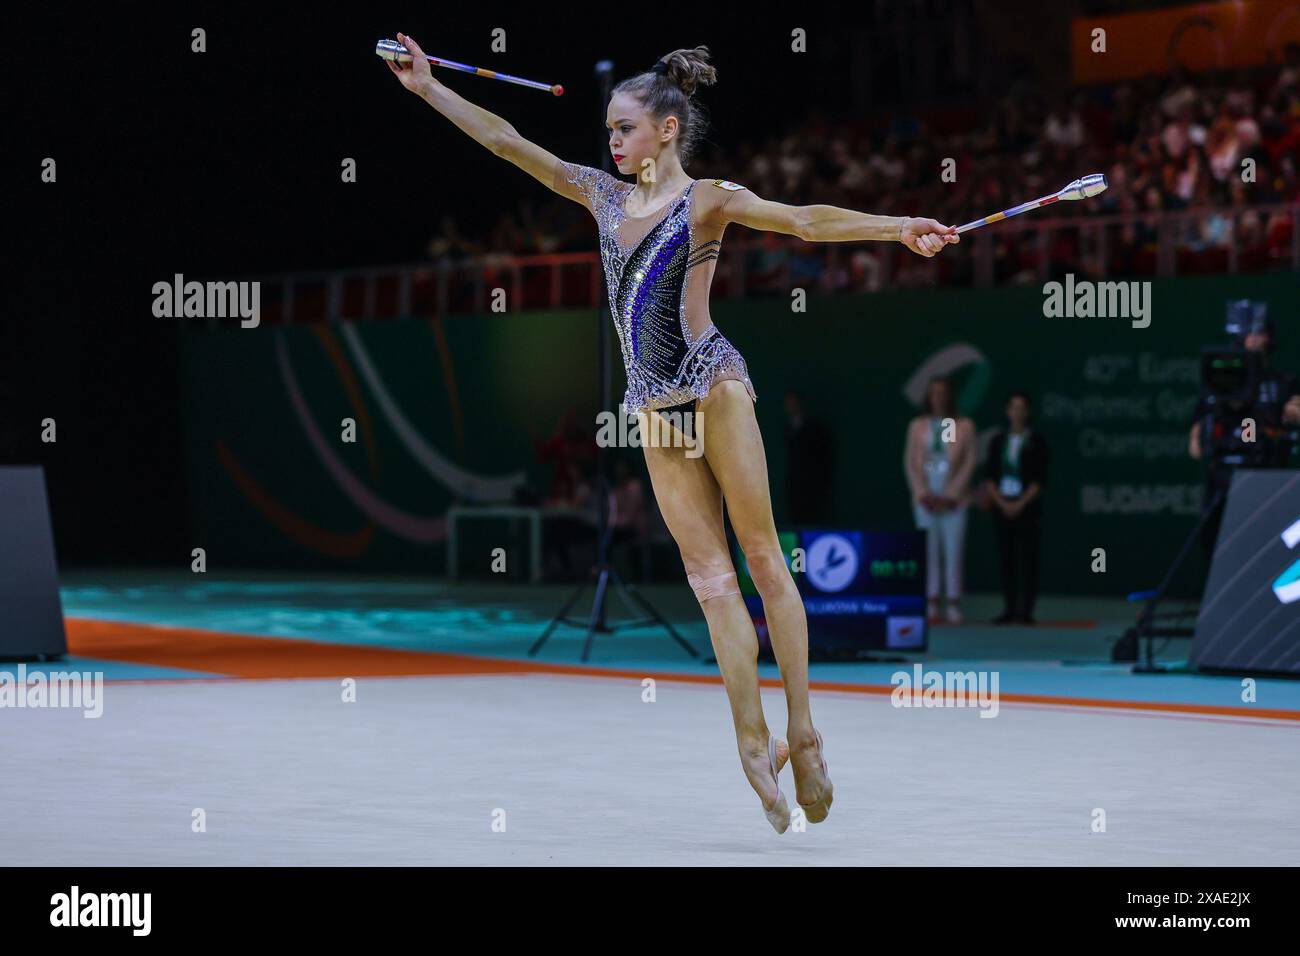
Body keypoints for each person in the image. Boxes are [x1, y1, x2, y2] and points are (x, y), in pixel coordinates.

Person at [387, 37, 959, 831]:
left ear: (665, 130)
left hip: (712, 383)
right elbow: (507, 141)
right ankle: (752, 741)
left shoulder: (708, 199)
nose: (611, 143)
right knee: (711, 581)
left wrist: (898, 227)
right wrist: (427, 89)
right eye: (609, 131)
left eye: (624, 129)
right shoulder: (600, 197)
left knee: (761, 556)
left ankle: (804, 728)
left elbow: (802, 220)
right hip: (653, 406)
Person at [903, 377, 976, 624]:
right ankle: (931, 601)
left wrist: (951, 495)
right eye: (934, 393)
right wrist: (923, 493)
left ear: (950, 396)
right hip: (925, 499)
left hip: (954, 500)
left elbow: (969, 461)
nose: (939, 397)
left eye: (943, 392)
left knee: (953, 549)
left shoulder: (963, 425)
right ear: (928, 397)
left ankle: (953, 602)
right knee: (929, 550)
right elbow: (911, 463)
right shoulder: (917, 426)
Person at [982, 391, 1049, 625]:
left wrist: (1020, 503)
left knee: (1028, 559)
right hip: (1002, 506)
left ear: (1027, 412)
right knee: (1006, 558)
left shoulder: (1036, 441)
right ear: (1007, 411)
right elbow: (989, 476)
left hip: (1027, 508)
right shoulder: (998, 441)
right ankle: (1009, 608)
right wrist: (1001, 502)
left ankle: (1026, 610)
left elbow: (1040, 479)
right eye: (1013, 407)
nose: (1017, 412)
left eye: (1022, 408)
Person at [784, 390, 835, 525]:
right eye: (788, 403)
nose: (790, 406)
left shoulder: (815, 429)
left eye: (793, 402)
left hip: (814, 487)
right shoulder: (786, 429)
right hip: (795, 488)